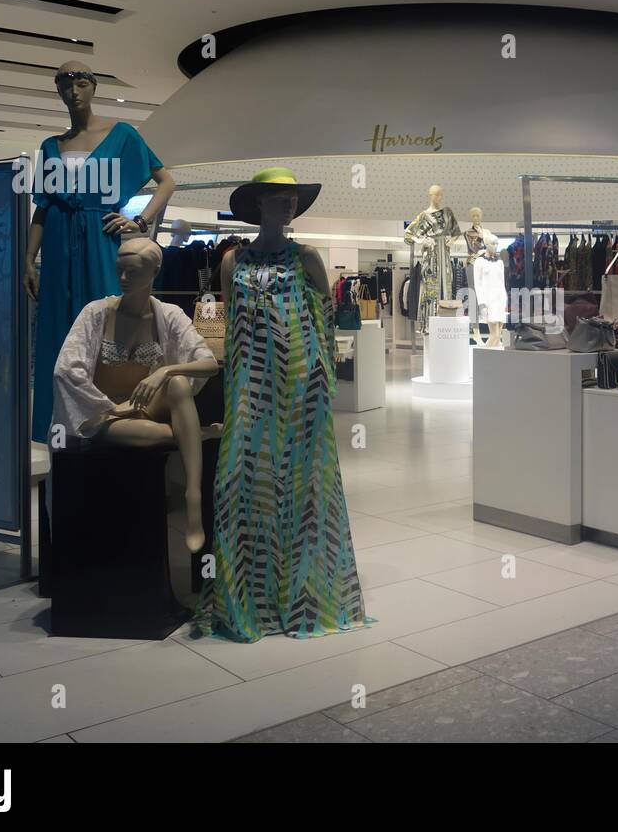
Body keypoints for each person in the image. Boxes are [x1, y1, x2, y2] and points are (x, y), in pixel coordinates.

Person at [193, 168, 372, 643]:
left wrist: (321, 382)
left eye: (292, 198)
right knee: (242, 480)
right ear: (259, 206)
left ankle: (307, 597)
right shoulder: (234, 261)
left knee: (304, 484)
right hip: (250, 385)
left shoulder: (307, 257)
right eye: (278, 199)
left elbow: (325, 320)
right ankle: (248, 598)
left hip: (300, 384)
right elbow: (233, 327)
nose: (288, 206)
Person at [25, 61, 176, 444]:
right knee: (58, 332)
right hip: (58, 245)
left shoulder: (122, 136)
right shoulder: (49, 147)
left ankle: (112, 415)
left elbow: (166, 180)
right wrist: (28, 259)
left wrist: (140, 221)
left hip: (99, 239)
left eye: (81, 81)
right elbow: (42, 207)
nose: (73, 89)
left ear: (93, 87)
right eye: (64, 82)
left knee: (107, 327)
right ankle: (58, 424)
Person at [52, 239, 219, 553]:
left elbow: (208, 363)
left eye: (133, 270)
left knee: (179, 383)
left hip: (148, 406)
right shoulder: (96, 313)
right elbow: (65, 370)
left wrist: (164, 372)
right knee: (142, 432)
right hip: (106, 414)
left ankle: (193, 498)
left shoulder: (167, 314)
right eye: (120, 270)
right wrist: (109, 409)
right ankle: (192, 435)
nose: (124, 278)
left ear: (155, 270)